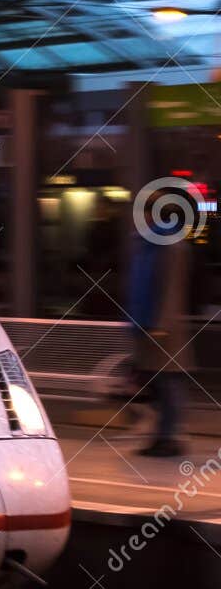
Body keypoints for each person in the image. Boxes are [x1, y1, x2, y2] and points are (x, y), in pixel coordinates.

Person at [126, 190, 195, 457]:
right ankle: (163, 435)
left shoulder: (170, 244)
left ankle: (170, 438)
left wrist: (161, 324)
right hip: (147, 323)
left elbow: (172, 289)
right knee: (157, 381)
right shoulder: (147, 243)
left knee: (168, 382)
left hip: (163, 328)